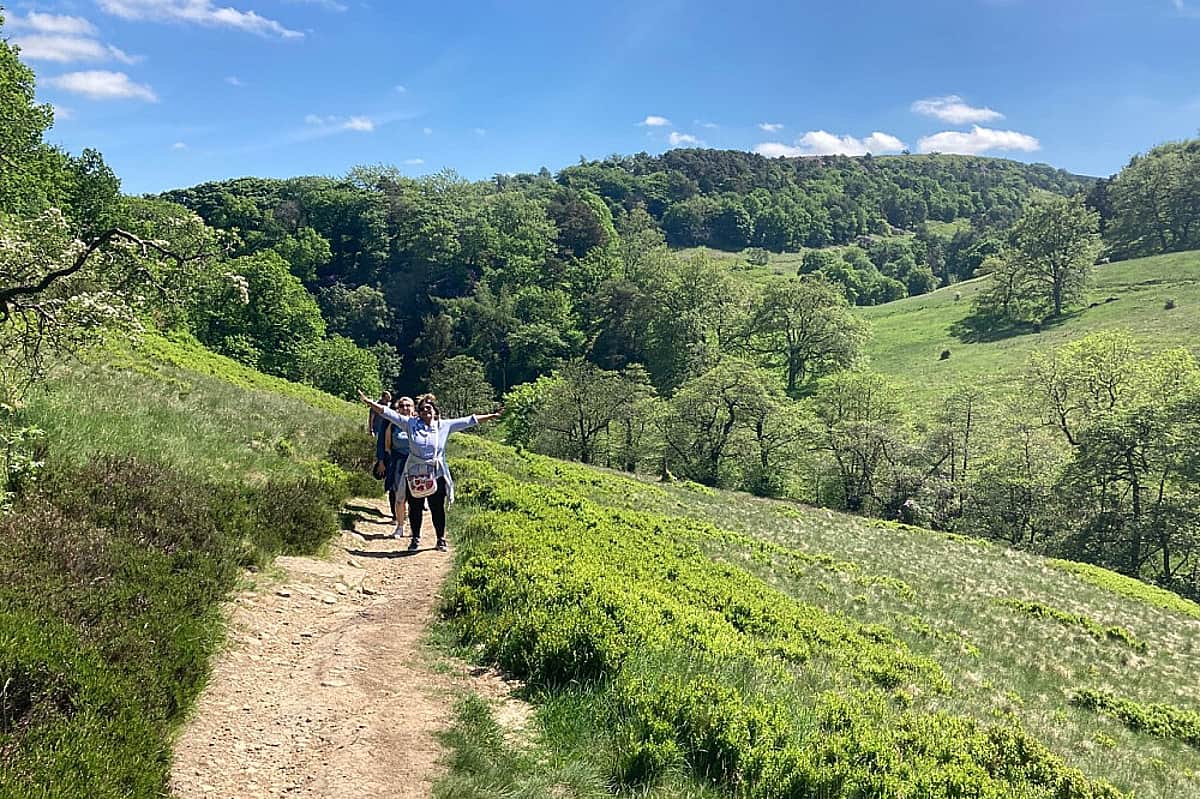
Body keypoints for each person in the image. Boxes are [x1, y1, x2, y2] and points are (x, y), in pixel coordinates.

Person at [359, 390, 501, 552]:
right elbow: (388, 413)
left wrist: (492, 416)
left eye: (429, 408)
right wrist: (369, 402)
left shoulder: (444, 425)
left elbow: (470, 420)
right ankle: (415, 539)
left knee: (437, 507)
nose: (426, 411)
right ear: (418, 413)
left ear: (435, 411)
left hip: (436, 472)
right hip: (415, 471)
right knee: (415, 506)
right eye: (422, 409)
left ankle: (440, 539)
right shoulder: (410, 424)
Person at [384, 395, 415, 538]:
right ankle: (400, 526)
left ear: (413, 408)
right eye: (402, 406)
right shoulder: (393, 424)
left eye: (408, 405)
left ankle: (414, 527)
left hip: (415, 464)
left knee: (415, 497)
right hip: (399, 463)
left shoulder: (418, 423)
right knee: (399, 496)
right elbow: (388, 445)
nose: (405, 408)